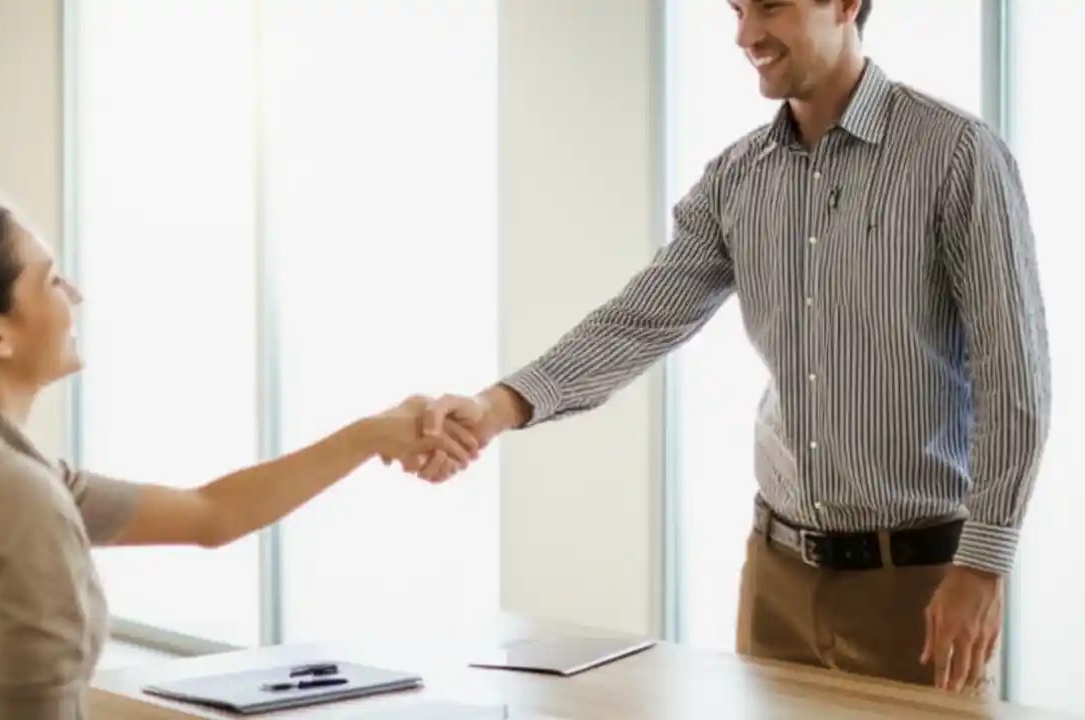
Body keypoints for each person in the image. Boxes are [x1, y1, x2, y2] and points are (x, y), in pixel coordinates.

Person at [403, 0, 1049, 694]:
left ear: (846, 5)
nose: (745, 34)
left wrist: (982, 565)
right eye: (736, 9)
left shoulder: (954, 154)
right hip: (776, 580)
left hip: (919, 587)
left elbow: (1014, 377)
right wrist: (497, 406)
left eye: (770, 6)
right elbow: (639, 319)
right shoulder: (738, 177)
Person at [0, 203, 480, 719]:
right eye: (52, 280)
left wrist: (369, 436)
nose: (75, 296)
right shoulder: (9, 496)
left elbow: (212, 514)